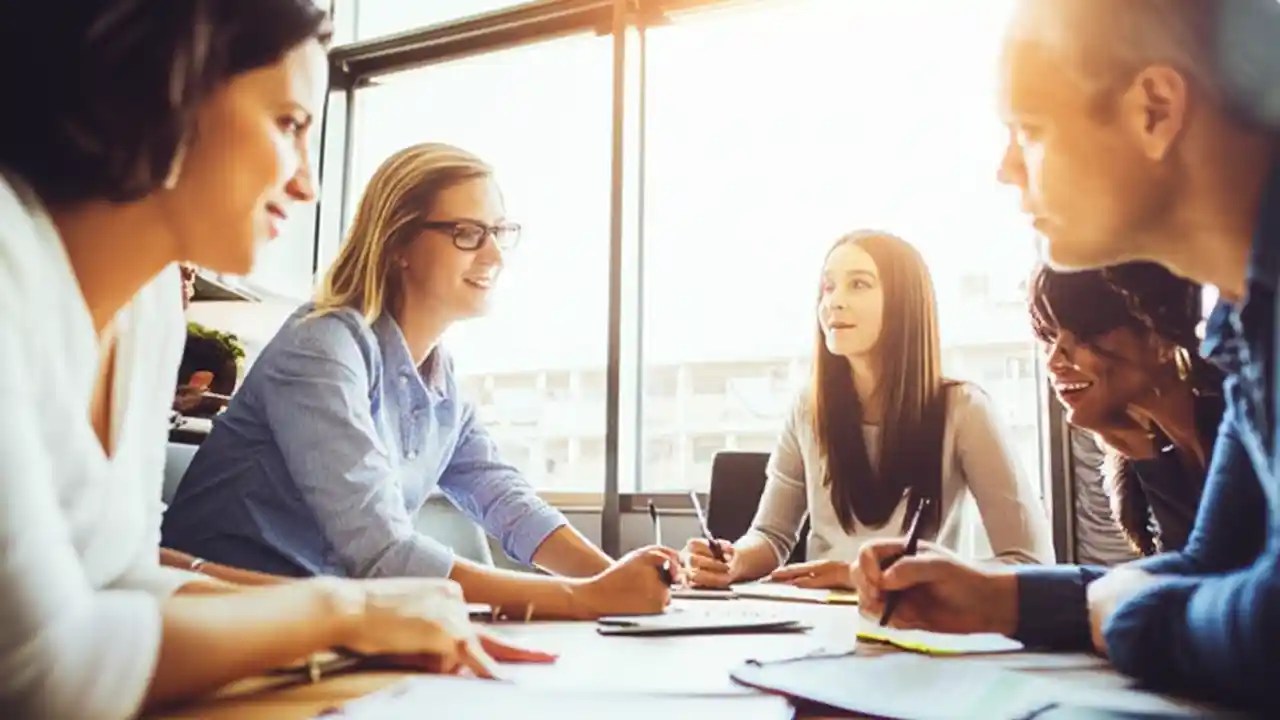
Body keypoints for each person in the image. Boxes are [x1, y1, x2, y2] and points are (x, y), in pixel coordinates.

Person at [0, 4, 542, 718]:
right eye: (289, 125)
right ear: (162, 88)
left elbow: (120, 579)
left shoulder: (147, 308)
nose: (308, 185)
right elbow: (43, 673)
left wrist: (369, 617)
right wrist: (341, 614)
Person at [851, 0, 1280, 711]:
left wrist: (1124, 618)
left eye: (1031, 130)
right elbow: (1218, 566)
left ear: (1154, 109)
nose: (1005, 169)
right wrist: (1000, 600)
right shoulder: (1247, 327)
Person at [162, 142, 679, 619]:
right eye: (468, 233)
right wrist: (585, 599)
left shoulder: (440, 375)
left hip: (326, 625)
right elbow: (381, 551)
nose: (495, 255)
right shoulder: (321, 345)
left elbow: (502, 497)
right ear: (397, 244)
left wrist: (611, 575)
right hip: (220, 622)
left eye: (499, 232)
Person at [682, 230, 1055, 590]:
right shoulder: (808, 408)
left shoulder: (964, 408)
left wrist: (859, 574)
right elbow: (771, 536)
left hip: (915, 619)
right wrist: (733, 561)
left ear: (904, 302)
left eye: (858, 284)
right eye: (828, 287)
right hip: (818, 620)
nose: (834, 302)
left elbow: (1030, 561)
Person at [1030, 262, 1222, 555]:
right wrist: (1143, 455)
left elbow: (1213, 574)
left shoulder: (1246, 431)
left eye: (1083, 335)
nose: (1054, 360)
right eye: (1049, 337)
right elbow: (1185, 578)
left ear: (1161, 339)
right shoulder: (1154, 450)